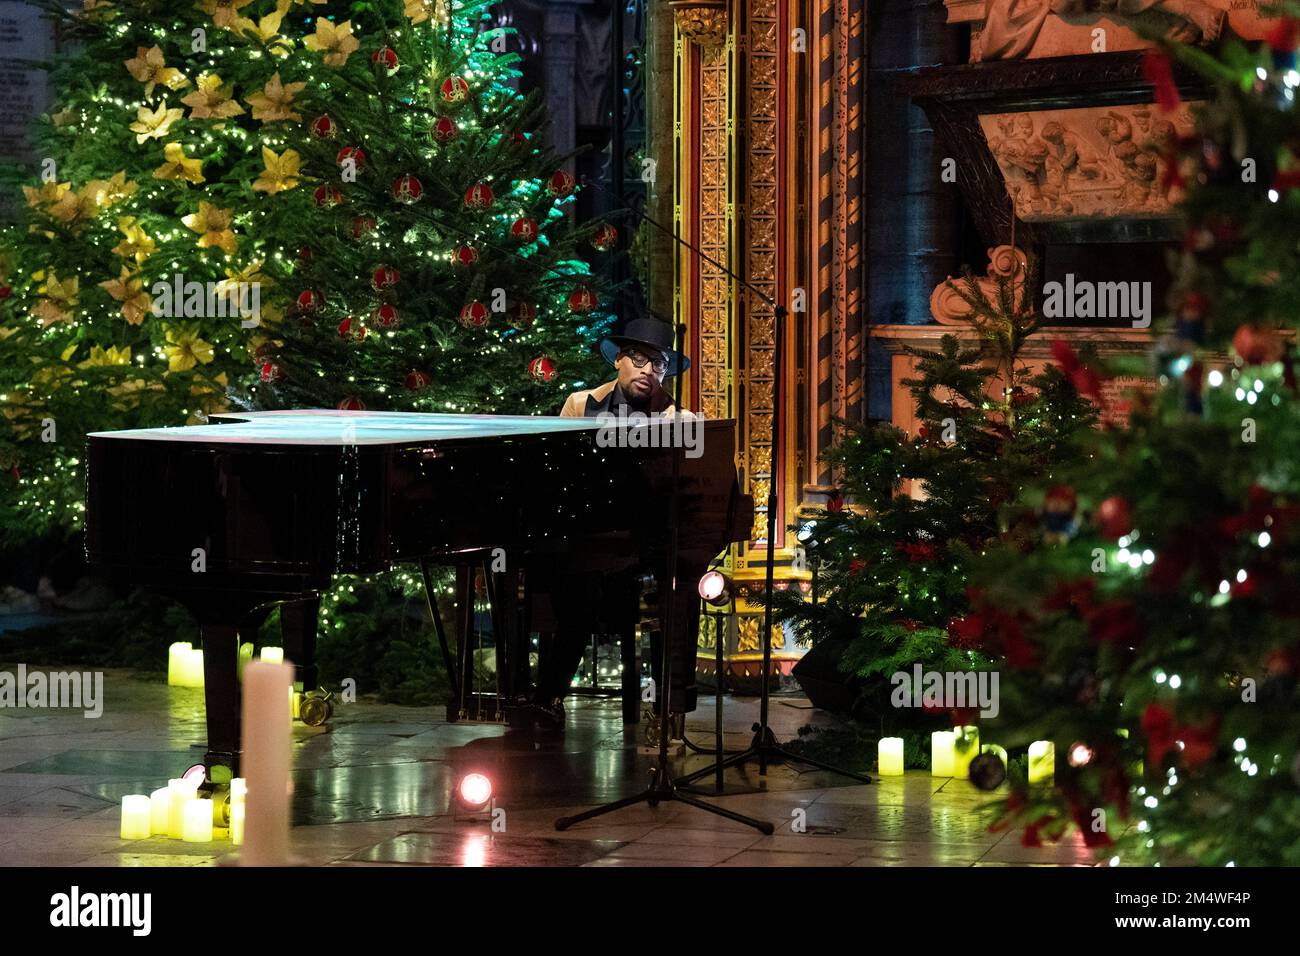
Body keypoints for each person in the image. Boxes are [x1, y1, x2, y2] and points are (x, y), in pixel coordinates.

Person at [510, 319, 697, 731]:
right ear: (619, 361)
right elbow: (553, 475)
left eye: (659, 364)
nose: (649, 370)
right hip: (584, 543)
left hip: (644, 551)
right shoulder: (580, 405)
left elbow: (689, 495)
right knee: (574, 585)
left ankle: (670, 708)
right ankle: (546, 698)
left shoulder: (678, 417)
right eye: (640, 359)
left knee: (680, 588)